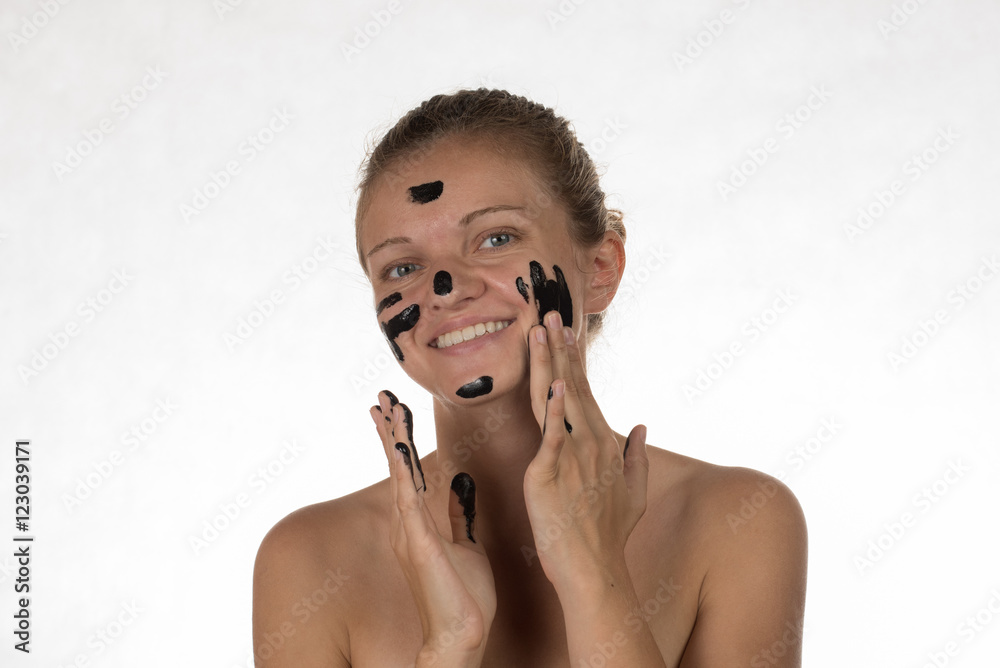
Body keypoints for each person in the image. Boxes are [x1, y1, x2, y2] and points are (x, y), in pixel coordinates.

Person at [252, 88, 807, 667]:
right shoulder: (309, 561)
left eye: (496, 238)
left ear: (599, 269)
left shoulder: (738, 522)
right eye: (404, 267)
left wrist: (593, 574)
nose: (447, 286)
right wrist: (450, 648)